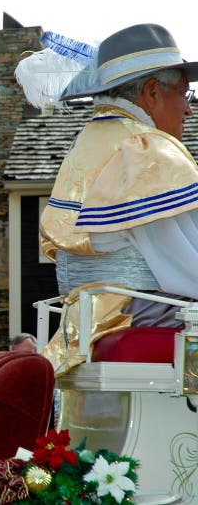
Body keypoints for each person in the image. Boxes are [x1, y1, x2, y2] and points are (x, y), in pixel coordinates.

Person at [18, 24, 198, 372]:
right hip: (136, 314)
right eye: (183, 93)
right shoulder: (149, 150)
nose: (189, 110)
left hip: (85, 319)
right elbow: (189, 261)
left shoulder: (89, 143)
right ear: (151, 92)